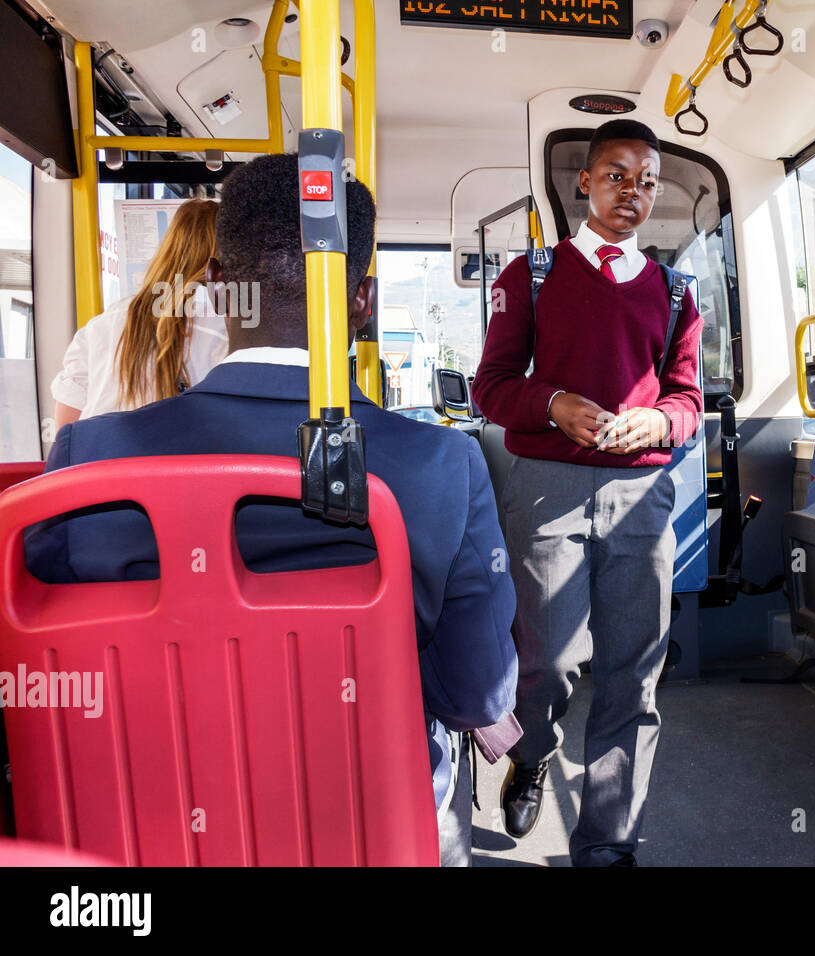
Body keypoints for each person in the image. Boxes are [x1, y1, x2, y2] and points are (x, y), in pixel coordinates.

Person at [25, 153, 517, 866]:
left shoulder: (87, 462)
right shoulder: (442, 468)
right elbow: (478, 692)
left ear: (219, 292)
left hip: (149, 823)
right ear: (364, 300)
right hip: (371, 819)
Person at [472, 118, 703, 866]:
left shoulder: (675, 294)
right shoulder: (531, 277)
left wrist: (658, 422)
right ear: (584, 181)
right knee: (547, 664)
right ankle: (532, 750)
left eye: (645, 180)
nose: (631, 192)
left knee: (634, 673)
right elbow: (491, 389)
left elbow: (689, 402)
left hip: (641, 496)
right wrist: (552, 405)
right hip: (548, 489)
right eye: (616, 175)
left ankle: (608, 839)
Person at [51, 198, 227, 426]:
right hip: (184, 457)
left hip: (101, 458)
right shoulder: (226, 320)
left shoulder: (108, 319)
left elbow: (67, 423)